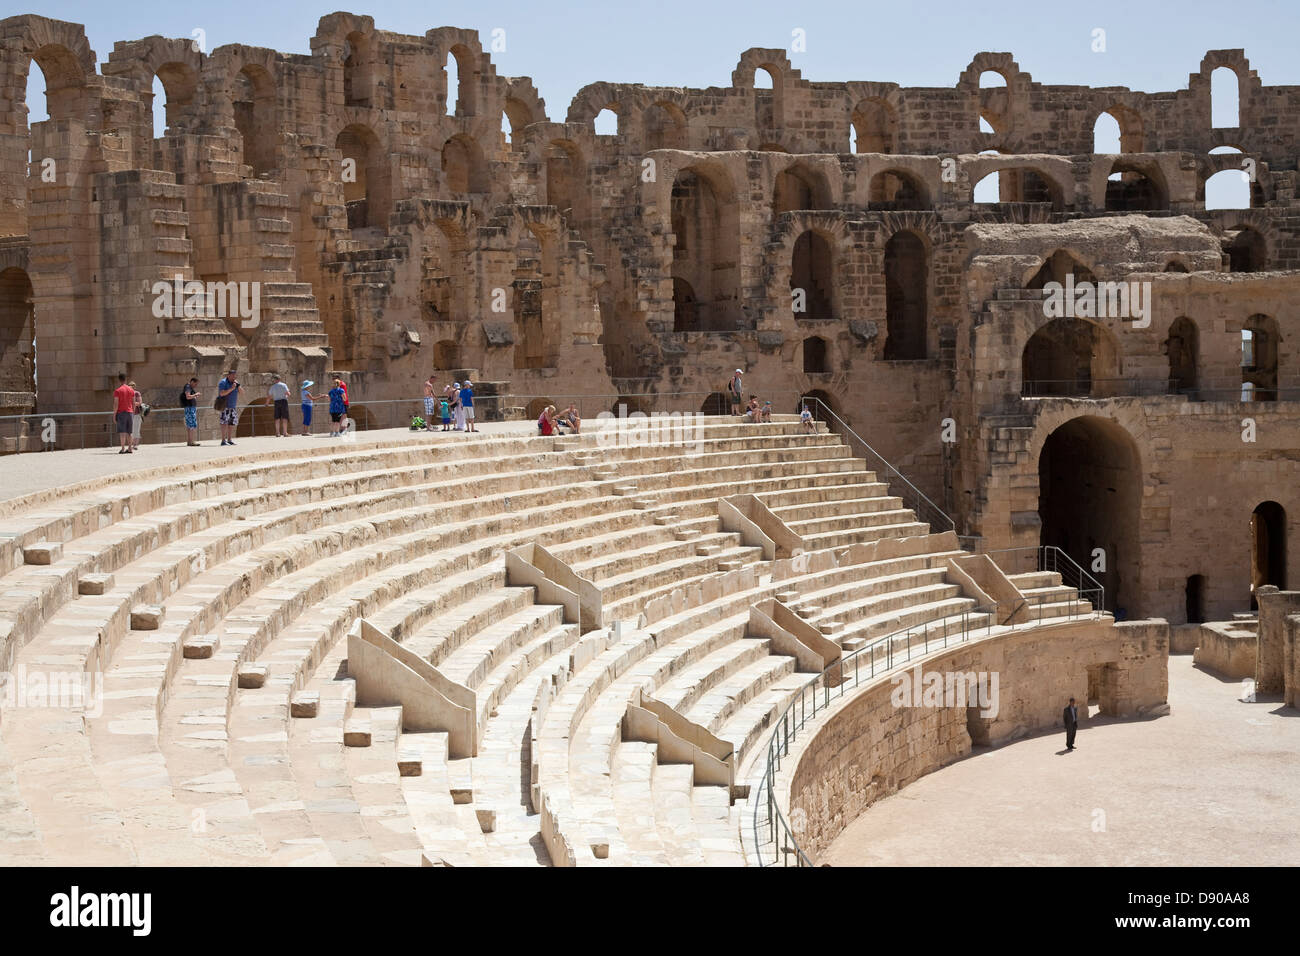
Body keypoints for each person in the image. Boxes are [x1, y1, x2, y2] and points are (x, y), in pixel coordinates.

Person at [217, 368, 243, 446]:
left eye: (235, 376)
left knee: (231, 423)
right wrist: (231, 388)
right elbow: (221, 394)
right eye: (232, 376)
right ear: (228, 375)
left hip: (233, 406)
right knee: (224, 423)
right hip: (225, 406)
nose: (234, 377)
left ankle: (229, 440)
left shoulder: (235, 383)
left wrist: (238, 386)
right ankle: (223, 441)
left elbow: (242, 393)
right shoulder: (223, 382)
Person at [112, 372, 135, 454]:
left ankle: (122, 448)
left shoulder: (117, 391)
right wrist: (133, 412)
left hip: (121, 413)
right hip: (130, 412)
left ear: (119, 380)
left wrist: (114, 414)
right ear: (126, 379)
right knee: (130, 432)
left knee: (122, 432)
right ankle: (130, 448)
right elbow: (133, 402)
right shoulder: (131, 390)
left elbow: (116, 404)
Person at [181, 377, 201, 446]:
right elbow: (188, 396)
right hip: (189, 408)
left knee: (191, 425)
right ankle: (191, 441)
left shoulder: (189, 387)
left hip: (191, 408)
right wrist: (195, 395)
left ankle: (190, 441)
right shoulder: (188, 387)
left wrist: (194, 396)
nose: (195, 386)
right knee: (191, 424)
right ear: (192, 382)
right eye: (195, 384)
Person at [129, 381, 144, 450]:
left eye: (132, 386)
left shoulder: (137, 393)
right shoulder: (128, 393)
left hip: (137, 414)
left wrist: (132, 403)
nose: (131, 387)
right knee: (131, 430)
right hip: (130, 413)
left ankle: (135, 444)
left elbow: (140, 402)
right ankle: (132, 444)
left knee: (136, 429)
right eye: (130, 385)